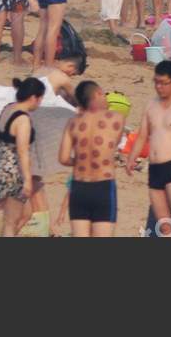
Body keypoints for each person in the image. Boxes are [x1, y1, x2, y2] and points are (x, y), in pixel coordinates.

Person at [126, 60, 171, 238]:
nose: (159, 87)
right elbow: (142, 134)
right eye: (156, 82)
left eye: (163, 83)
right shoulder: (151, 105)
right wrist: (131, 157)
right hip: (155, 168)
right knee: (164, 226)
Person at [58, 79, 125, 237]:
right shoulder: (116, 119)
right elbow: (111, 145)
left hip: (79, 186)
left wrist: (79, 162)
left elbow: (63, 158)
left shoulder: (73, 123)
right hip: (103, 184)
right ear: (98, 94)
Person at [0, 76, 45, 237]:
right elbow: (22, 151)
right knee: (11, 221)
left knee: (25, 214)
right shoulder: (22, 119)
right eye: (40, 99)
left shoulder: (8, 109)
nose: (40, 103)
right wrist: (28, 179)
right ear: (34, 97)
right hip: (13, 172)